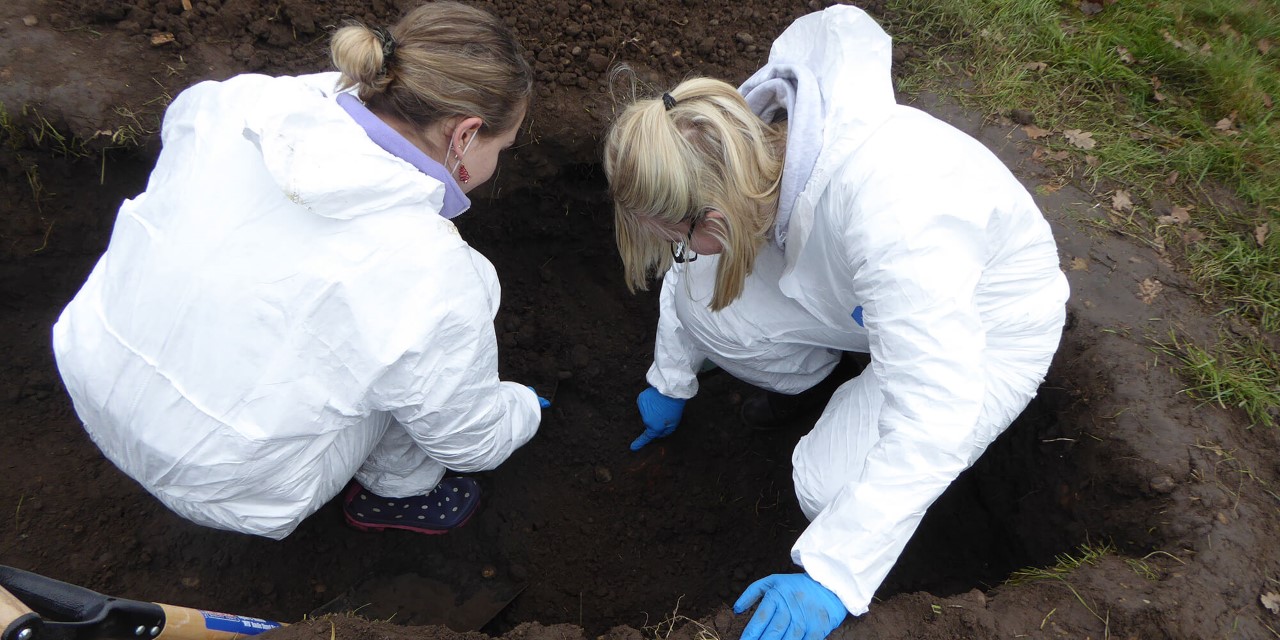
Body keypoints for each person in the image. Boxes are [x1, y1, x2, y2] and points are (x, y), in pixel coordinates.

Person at [603, 6, 1069, 640]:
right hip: (866, 298)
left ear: (712, 215)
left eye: (679, 237)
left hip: (987, 327)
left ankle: (877, 412)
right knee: (709, 310)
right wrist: (672, 376)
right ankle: (834, 373)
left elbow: (936, 409)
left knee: (825, 488)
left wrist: (835, 570)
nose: (678, 254)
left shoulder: (898, 218)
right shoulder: (742, 148)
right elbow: (688, 272)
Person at [52, 1, 548, 541]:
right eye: (504, 146)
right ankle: (399, 493)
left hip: (93, 375)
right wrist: (518, 407)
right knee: (469, 298)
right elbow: (468, 442)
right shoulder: (428, 269)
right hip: (229, 482)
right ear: (465, 135)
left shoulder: (237, 101)